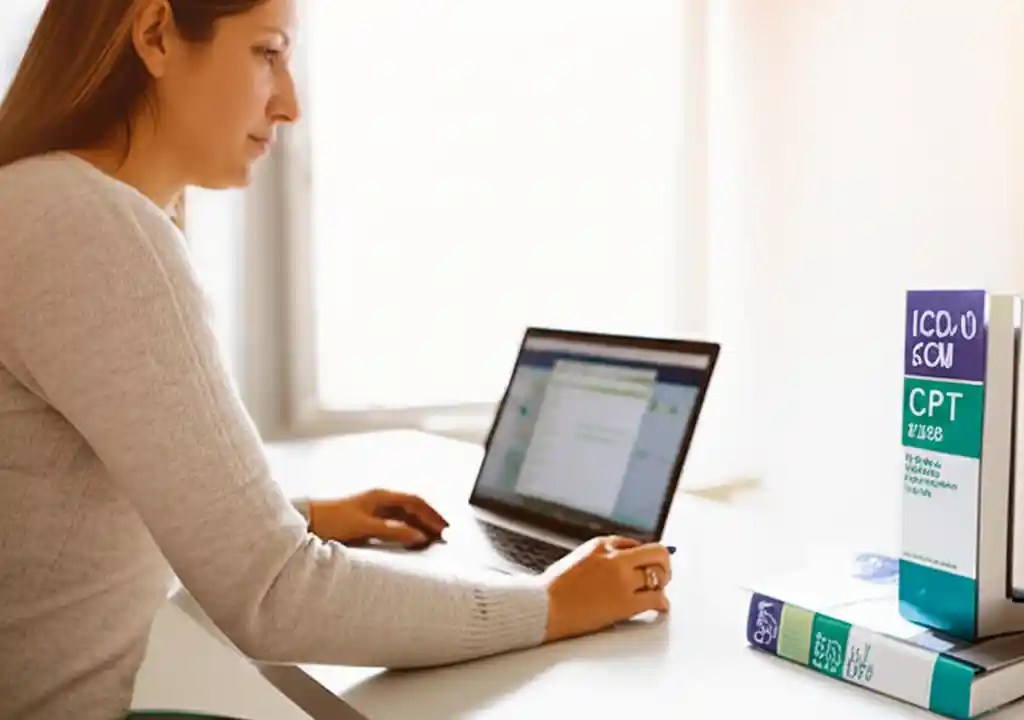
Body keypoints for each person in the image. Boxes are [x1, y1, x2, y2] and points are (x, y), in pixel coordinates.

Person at [0, 1, 672, 718]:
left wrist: (303, 515)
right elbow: (274, 594)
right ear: (157, 34)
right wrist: (551, 603)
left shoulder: (39, 202)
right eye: (268, 53)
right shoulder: (96, 229)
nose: (288, 104)